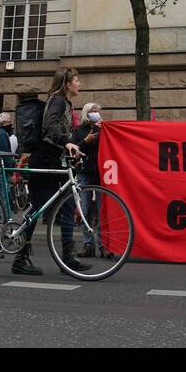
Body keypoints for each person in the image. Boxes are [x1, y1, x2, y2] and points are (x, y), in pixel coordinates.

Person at [13, 67, 88, 276]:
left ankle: (66, 257)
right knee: (38, 208)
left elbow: (61, 131)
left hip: (52, 158)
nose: (79, 84)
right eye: (77, 80)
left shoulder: (64, 102)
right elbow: (50, 126)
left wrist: (75, 147)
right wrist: (67, 143)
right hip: (44, 158)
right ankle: (23, 257)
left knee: (64, 205)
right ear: (67, 84)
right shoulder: (57, 100)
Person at [75, 102, 104, 257]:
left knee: (101, 210)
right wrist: (85, 141)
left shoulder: (103, 129)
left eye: (98, 111)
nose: (96, 113)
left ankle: (102, 244)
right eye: (93, 111)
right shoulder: (79, 130)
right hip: (84, 173)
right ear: (87, 113)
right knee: (85, 209)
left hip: (100, 173)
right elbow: (74, 148)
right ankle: (88, 244)